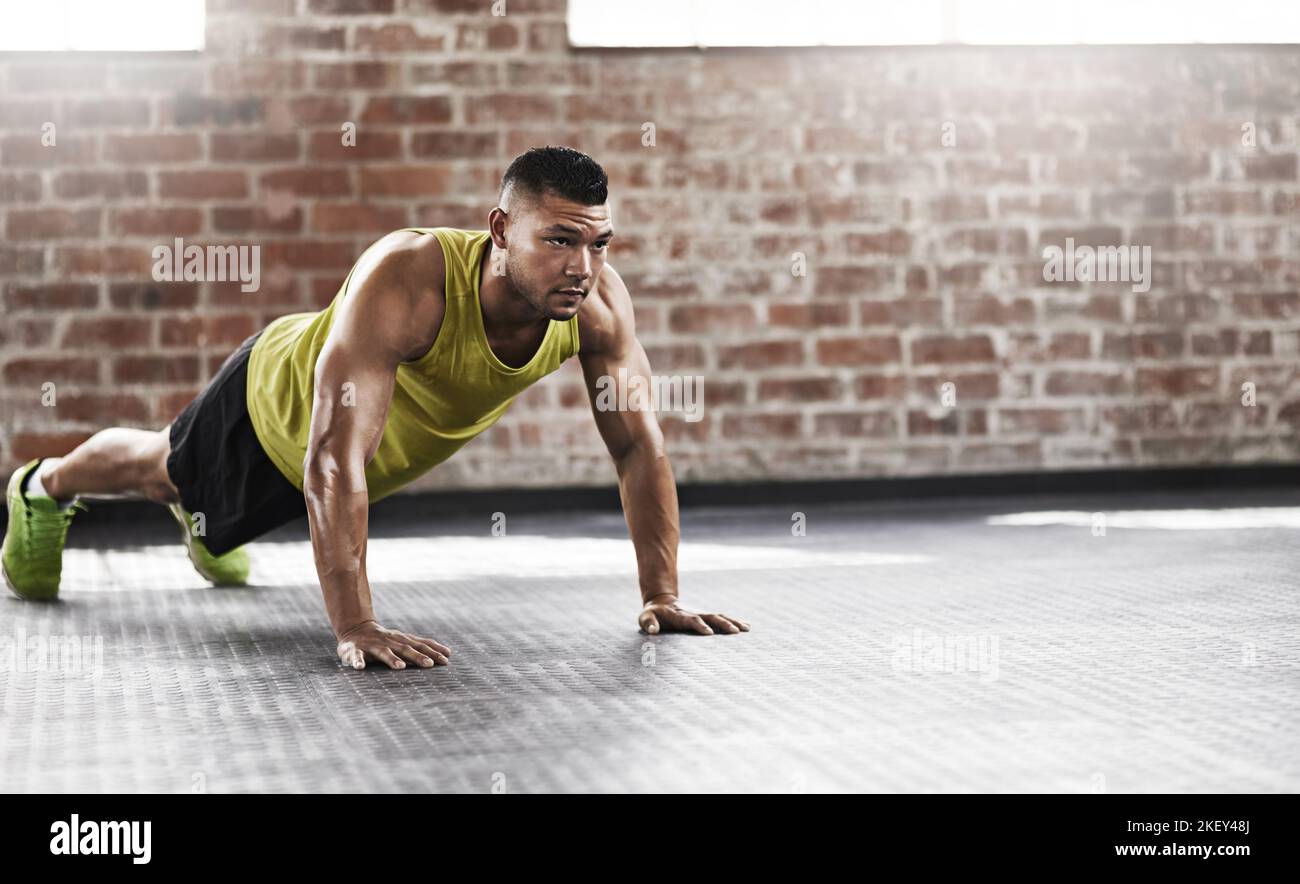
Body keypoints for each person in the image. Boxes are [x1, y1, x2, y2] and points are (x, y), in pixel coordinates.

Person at [2, 145, 749, 671]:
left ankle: (207, 528)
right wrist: (355, 624)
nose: (582, 267)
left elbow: (637, 447)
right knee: (164, 470)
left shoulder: (597, 306)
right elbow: (331, 457)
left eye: (599, 244)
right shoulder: (409, 275)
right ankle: (43, 488)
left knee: (213, 516)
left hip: (360, 464)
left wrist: (663, 594)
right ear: (498, 231)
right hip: (277, 410)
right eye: (558, 240)